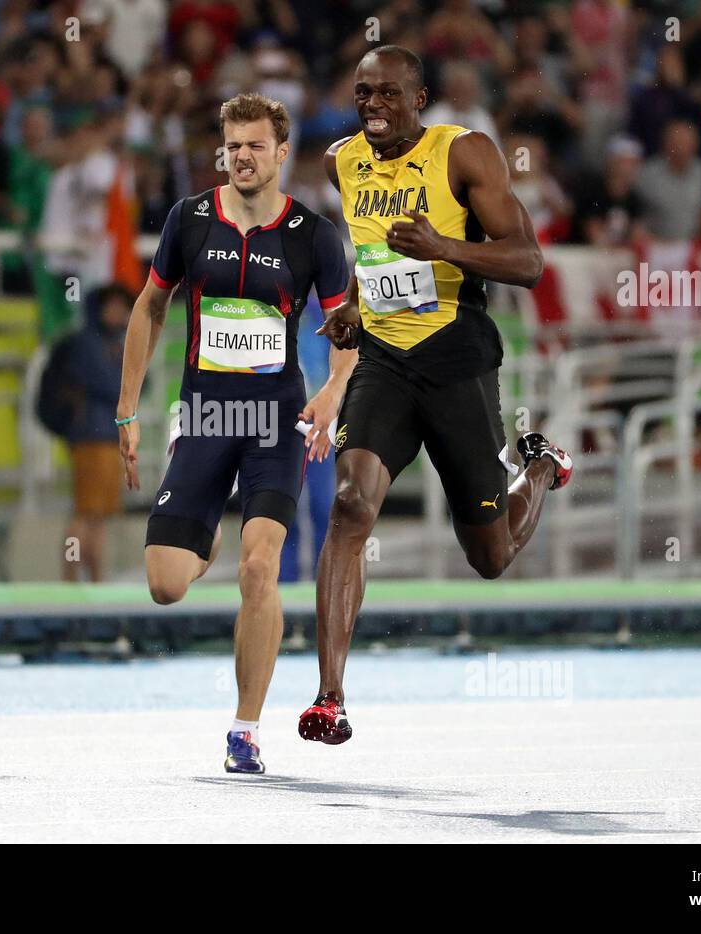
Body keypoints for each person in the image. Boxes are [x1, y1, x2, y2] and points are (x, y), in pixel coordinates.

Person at [304, 46, 573, 744]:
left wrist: (446, 249)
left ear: (420, 98)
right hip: (386, 359)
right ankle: (330, 696)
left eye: (389, 94)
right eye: (363, 93)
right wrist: (359, 310)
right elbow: (373, 254)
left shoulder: (467, 153)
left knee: (488, 557)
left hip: (457, 358)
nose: (373, 106)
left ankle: (539, 466)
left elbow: (529, 261)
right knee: (350, 502)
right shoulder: (342, 162)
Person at [117, 93, 352, 774]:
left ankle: (245, 730)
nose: (242, 157)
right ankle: (205, 531)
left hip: (277, 423)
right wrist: (127, 410)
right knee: (165, 585)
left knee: (260, 567)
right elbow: (150, 306)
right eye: (232, 145)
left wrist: (334, 390)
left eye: (256, 145)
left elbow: (347, 332)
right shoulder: (189, 219)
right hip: (207, 418)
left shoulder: (314, 235)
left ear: (283, 152)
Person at [63, 284, 134, 582]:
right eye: (112, 306)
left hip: (107, 437)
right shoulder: (89, 342)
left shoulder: (113, 342)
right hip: (92, 437)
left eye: (123, 307)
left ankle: (95, 579)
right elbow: (111, 385)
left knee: (98, 514)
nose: (119, 313)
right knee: (85, 511)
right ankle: (70, 578)